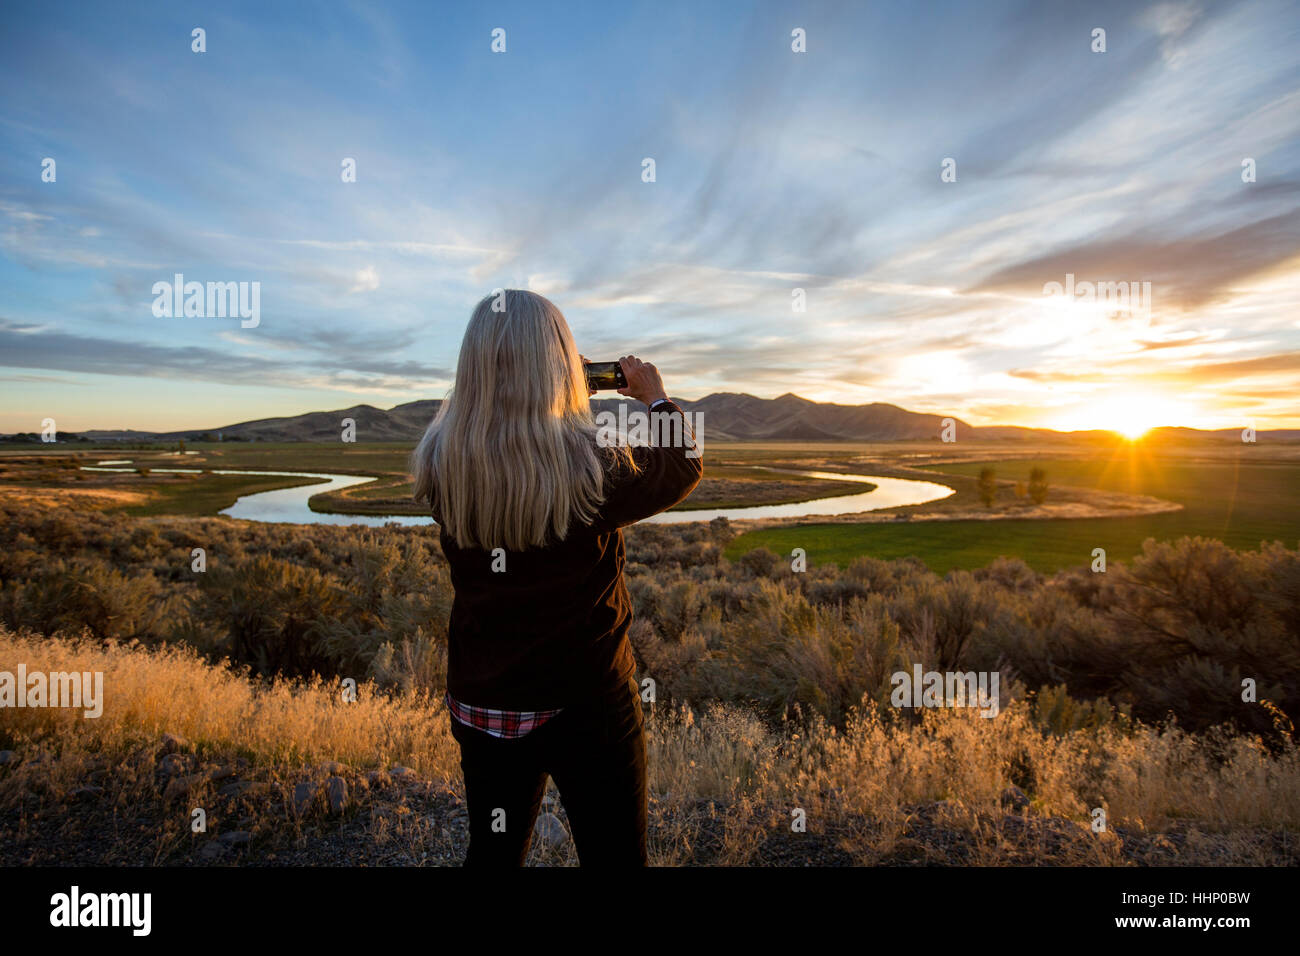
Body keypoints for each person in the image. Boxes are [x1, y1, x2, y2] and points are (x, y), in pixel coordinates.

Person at [411, 289, 703, 866]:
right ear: (560, 365)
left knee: (492, 854)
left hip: (484, 701)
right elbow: (681, 465)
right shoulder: (592, 462)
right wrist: (655, 398)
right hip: (585, 702)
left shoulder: (441, 459)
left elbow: (484, 429)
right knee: (615, 857)